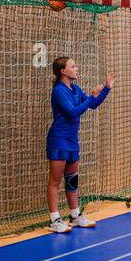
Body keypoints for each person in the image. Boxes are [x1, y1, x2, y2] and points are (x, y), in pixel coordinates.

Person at [46, 56, 113, 233]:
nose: (77, 68)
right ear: (63, 71)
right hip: (58, 139)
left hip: (72, 141)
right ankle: (54, 220)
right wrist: (90, 98)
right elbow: (72, 112)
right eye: (73, 66)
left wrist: (106, 89)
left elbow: (93, 104)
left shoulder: (76, 89)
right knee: (54, 181)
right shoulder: (59, 91)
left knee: (72, 180)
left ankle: (75, 216)